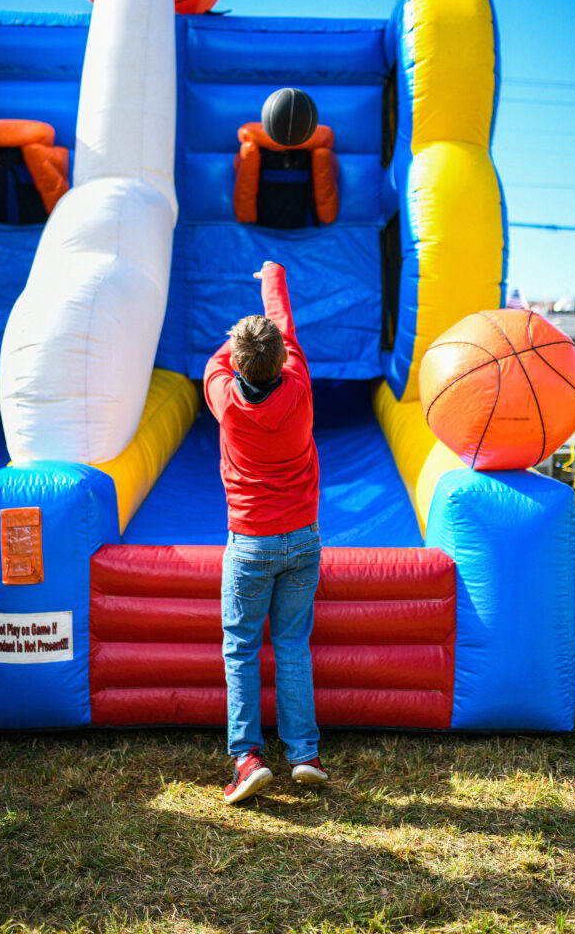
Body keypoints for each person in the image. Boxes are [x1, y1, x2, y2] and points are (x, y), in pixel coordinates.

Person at [204, 260, 328, 804]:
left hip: (250, 543)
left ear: (238, 366)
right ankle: (303, 753)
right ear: (282, 359)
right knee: (293, 645)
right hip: (302, 539)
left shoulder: (226, 401)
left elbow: (218, 360)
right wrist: (272, 277)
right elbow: (284, 324)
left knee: (240, 648)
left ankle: (247, 757)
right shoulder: (299, 385)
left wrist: (240, 342)